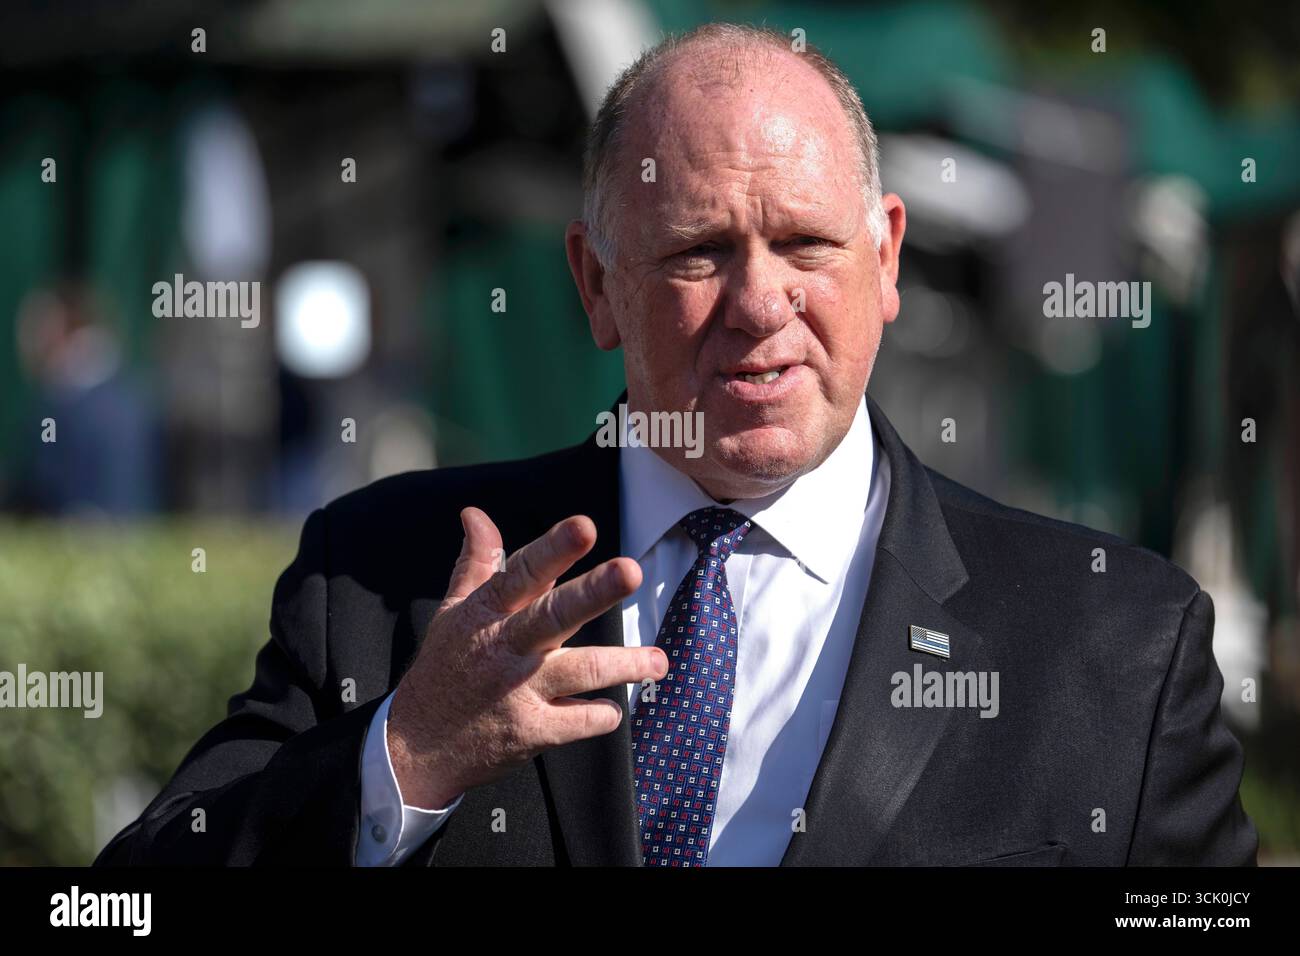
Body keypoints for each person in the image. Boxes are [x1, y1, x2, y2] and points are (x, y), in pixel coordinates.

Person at [95, 23, 1256, 867]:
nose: (760, 303)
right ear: (595, 287)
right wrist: (401, 758)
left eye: (805, 244)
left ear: (886, 258)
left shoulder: (1115, 644)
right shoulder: (383, 576)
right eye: (698, 253)